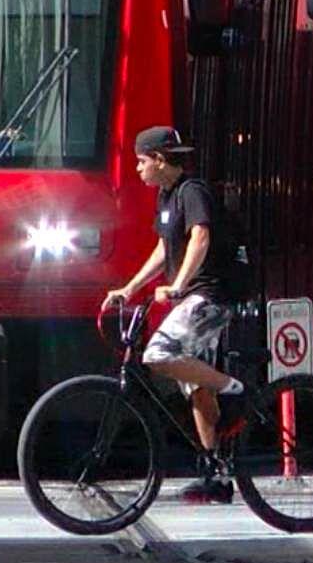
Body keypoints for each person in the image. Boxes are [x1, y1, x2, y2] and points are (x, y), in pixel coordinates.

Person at [101, 125, 246, 504]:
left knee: (158, 355)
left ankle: (235, 389)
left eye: (141, 161)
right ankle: (217, 476)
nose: (137, 169)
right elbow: (164, 250)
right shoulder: (166, 197)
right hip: (192, 297)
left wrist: (180, 285)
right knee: (195, 388)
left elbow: (200, 237)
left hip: (209, 296)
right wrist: (130, 288)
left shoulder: (192, 191)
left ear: (161, 160)